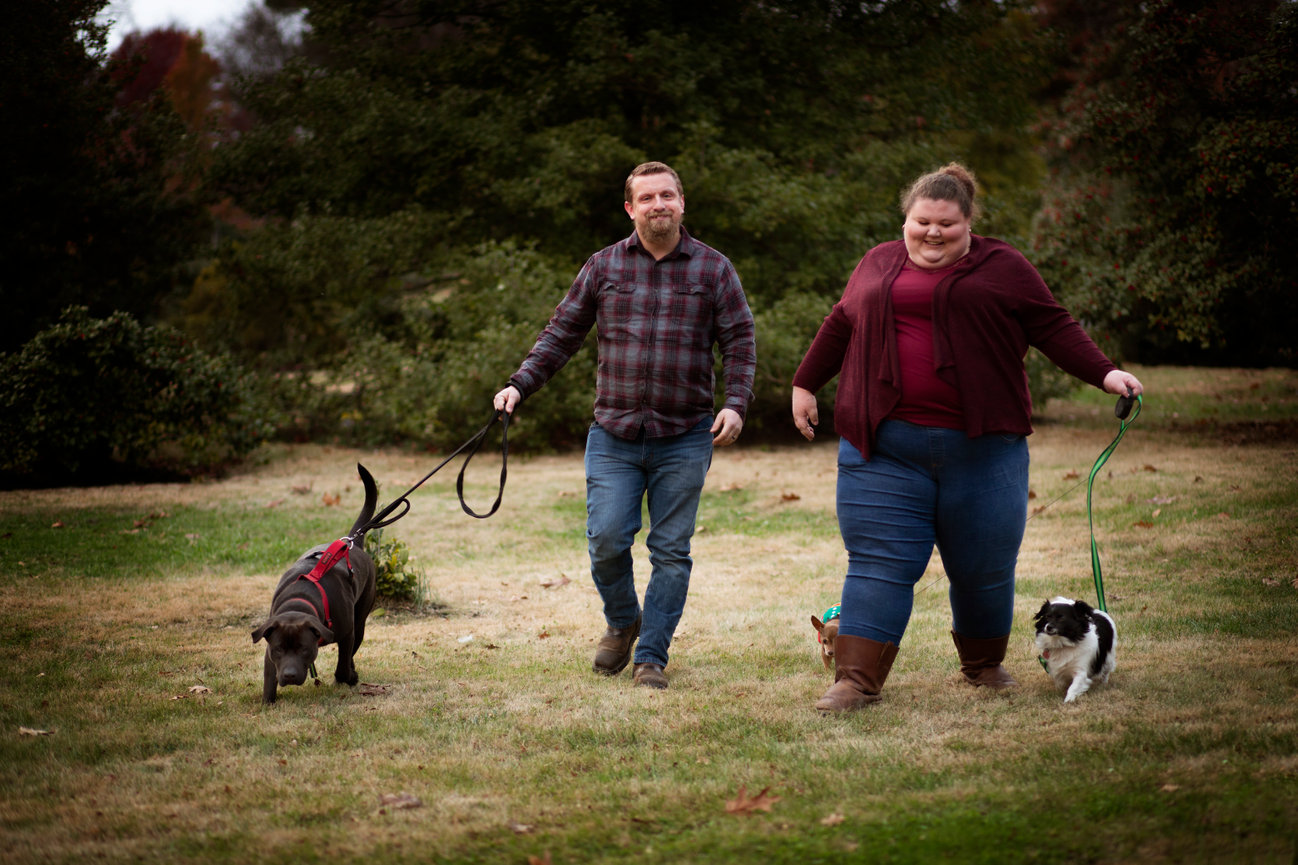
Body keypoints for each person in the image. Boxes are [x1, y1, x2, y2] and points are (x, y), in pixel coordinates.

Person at [791, 163, 1143, 712]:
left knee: (983, 568)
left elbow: (1052, 325)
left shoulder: (1004, 266)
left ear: (969, 223)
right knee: (878, 561)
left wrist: (1106, 373)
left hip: (985, 450)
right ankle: (855, 680)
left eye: (946, 225)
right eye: (920, 222)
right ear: (904, 220)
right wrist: (805, 383)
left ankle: (982, 664)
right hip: (882, 448)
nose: (932, 233)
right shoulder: (877, 262)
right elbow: (841, 322)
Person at [494, 161, 756, 690]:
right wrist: (519, 384)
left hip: (685, 435)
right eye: (647, 198)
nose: (658, 205)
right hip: (613, 434)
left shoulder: (713, 269)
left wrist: (736, 403)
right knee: (607, 541)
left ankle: (651, 657)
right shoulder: (604, 266)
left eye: (667, 195)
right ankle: (622, 620)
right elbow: (561, 334)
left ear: (682, 203)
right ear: (630, 208)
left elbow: (740, 342)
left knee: (671, 550)